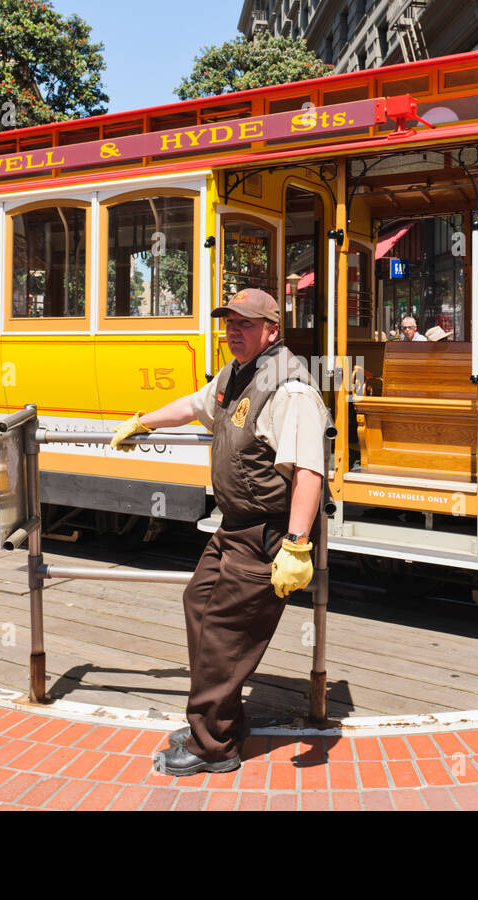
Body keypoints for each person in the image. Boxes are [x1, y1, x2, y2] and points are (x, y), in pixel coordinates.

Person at [110, 288, 330, 777]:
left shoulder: (290, 387)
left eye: (245, 324)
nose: (234, 331)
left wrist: (296, 545)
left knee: (224, 635)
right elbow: (194, 405)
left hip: (268, 533)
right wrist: (141, 422)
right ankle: (225, 721)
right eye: (229, 322)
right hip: (234, 525)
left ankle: (213, 747)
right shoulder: (237, 374)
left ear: (272, 330)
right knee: (199, 604)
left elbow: (309, 472)